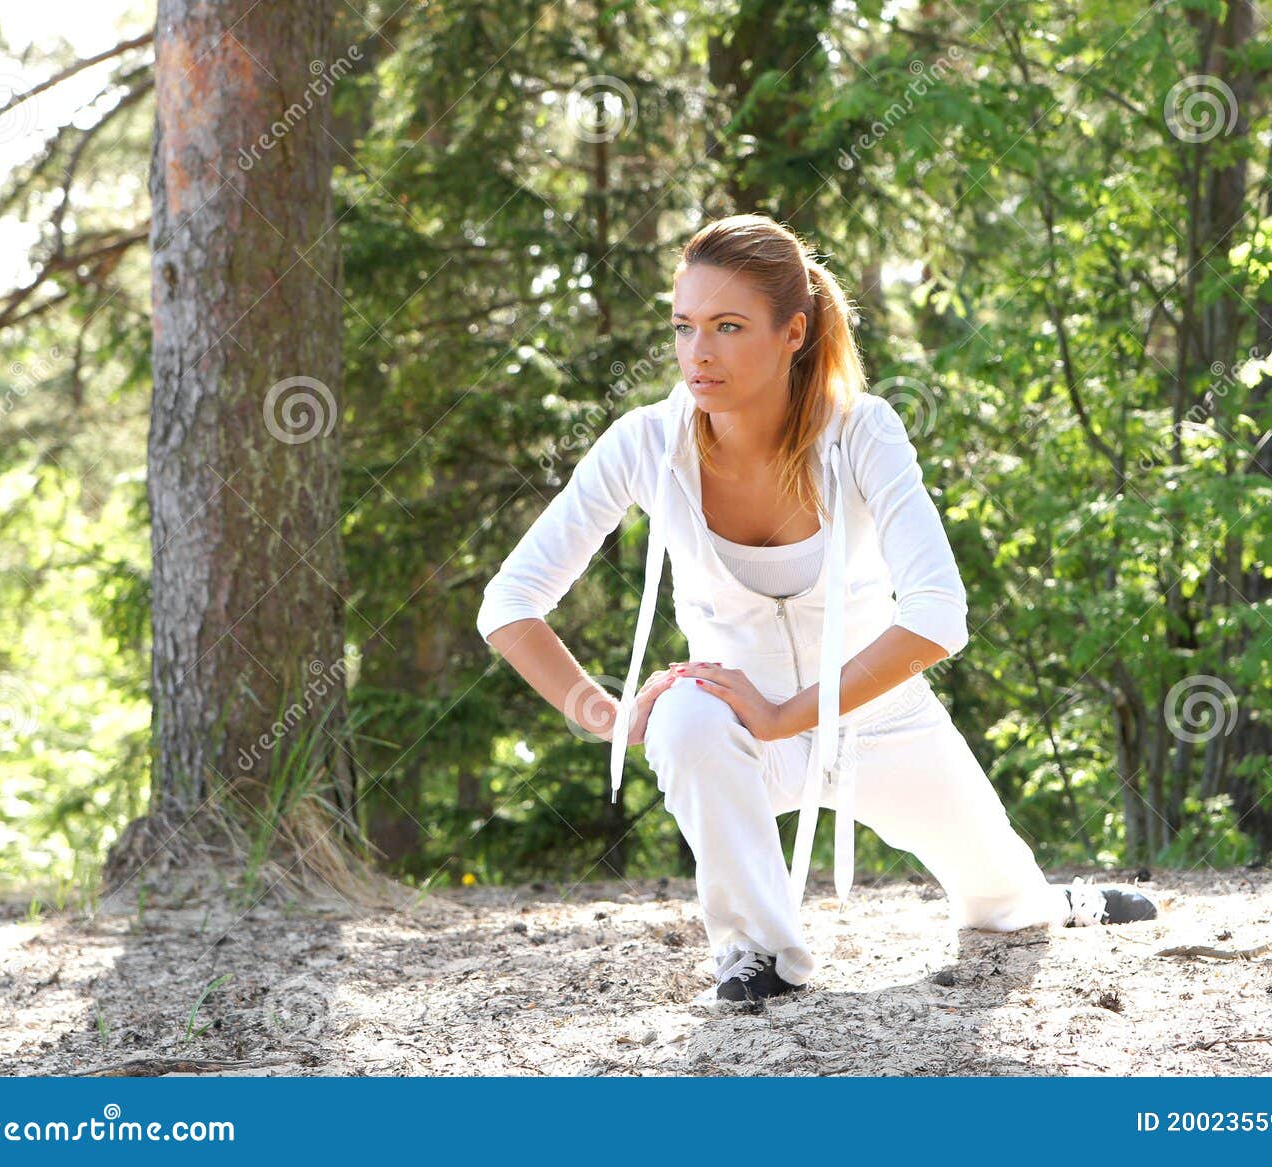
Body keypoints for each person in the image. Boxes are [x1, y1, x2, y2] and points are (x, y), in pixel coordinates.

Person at [478, 212, 1157, 1005]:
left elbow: (940, 613)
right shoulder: (644, 443)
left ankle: (1052, 899)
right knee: (684, 718)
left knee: (1004, 909)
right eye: (685, 325)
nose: (699, 352)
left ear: (792, 330)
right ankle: (758, 954)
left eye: (728, 326)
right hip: (737, 728)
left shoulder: (862, 431)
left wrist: (791, 712)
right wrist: (608, 714)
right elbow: (510, 603)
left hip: (881, 718)